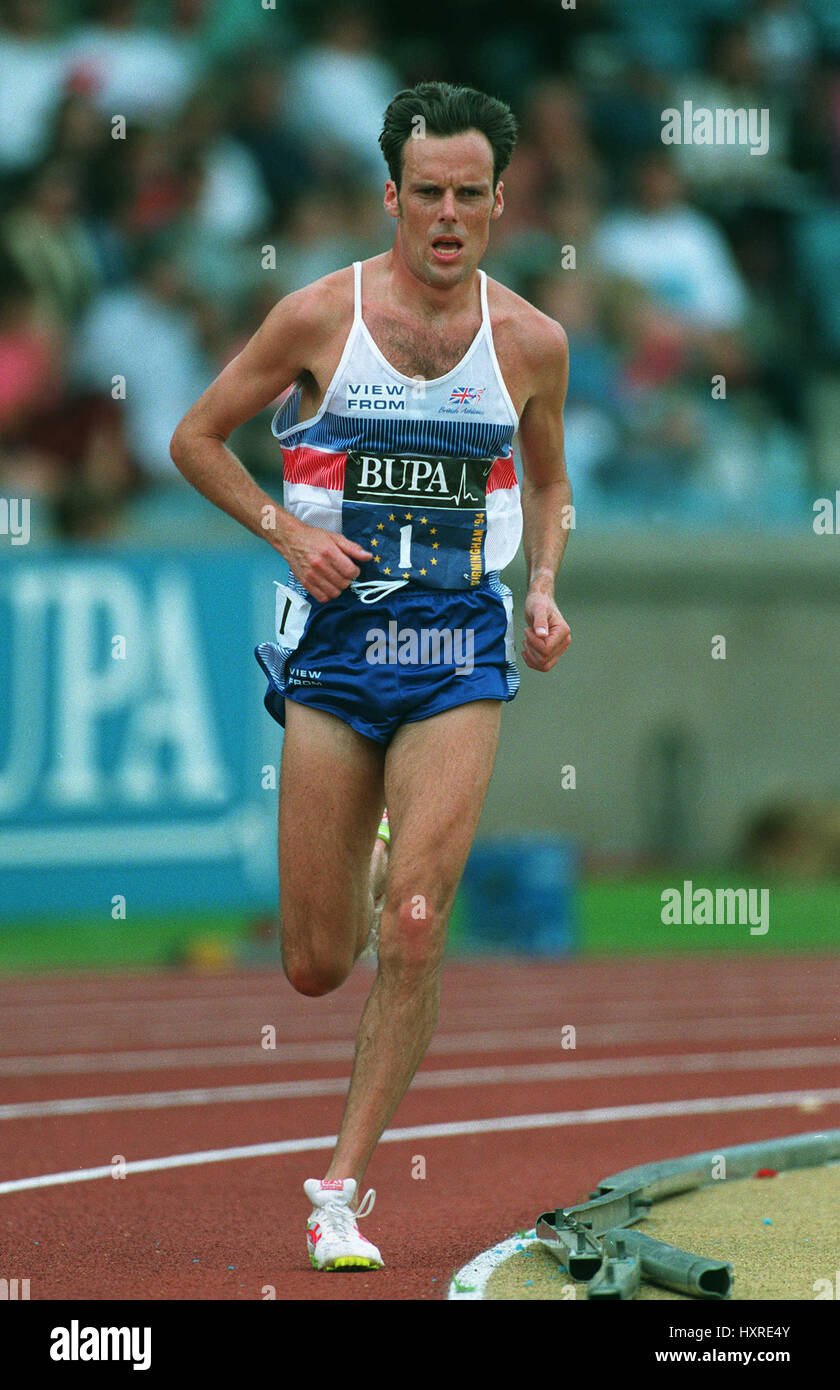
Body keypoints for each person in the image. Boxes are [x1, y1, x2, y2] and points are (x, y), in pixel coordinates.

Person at [170, 80, 573, 1272]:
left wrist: (543, 582)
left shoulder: (532, 342)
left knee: (414, 927)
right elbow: (194, 436)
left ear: (501, 202)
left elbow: (548, 483)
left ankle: (339, 1188)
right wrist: (285, 531)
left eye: (470, 196)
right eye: (427, 194)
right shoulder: (316, 318)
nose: (447, 216)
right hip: (337, 650)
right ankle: (382, 852)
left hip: (456, 645)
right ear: (391, 196)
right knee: (312, 963)